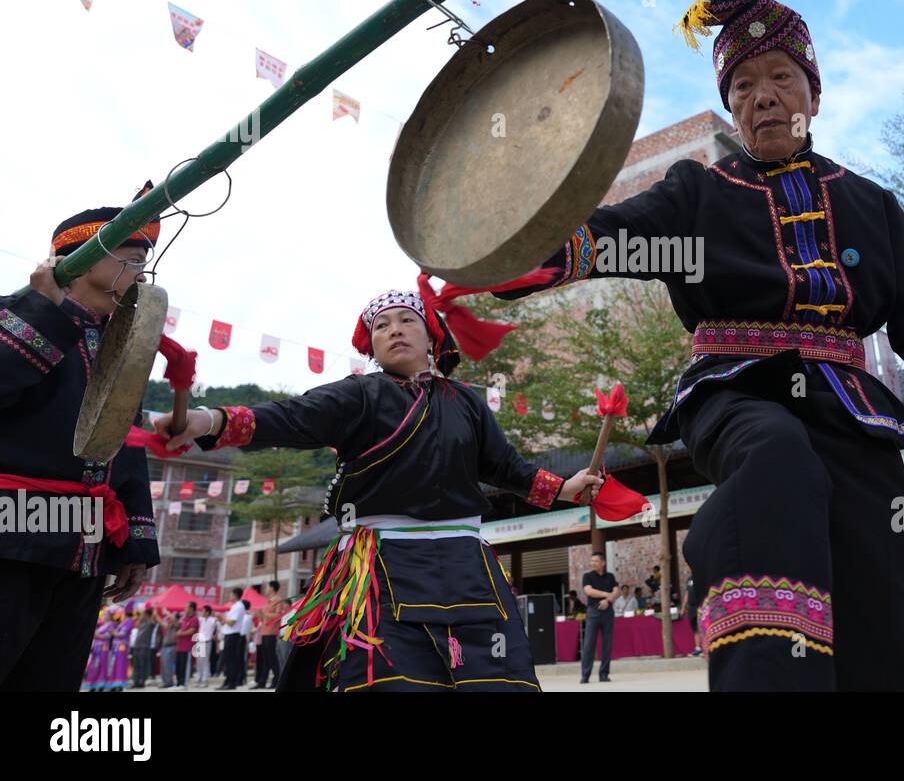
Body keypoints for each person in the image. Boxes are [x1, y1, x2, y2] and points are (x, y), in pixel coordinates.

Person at [496, 0, 904, 692]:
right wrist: (497, 253)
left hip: (855, 410)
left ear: (813, 95)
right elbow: (600, 240)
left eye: (780, 78)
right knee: (776, 457)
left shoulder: (870, 204)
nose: (762, 97)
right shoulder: (699, 195)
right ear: (730, 108)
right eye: (741, 85)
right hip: (735, 392)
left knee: (881, 626)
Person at [155, 284, 601, 692]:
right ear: (372, 345)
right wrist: (208, 420)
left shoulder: (466, 402)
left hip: (467, 566)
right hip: (384, 565)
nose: (394, 330)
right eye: (381, 326)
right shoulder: (358, 395)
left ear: (432, 337)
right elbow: (290, 417)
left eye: (407, 320)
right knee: (392, 681)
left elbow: (507, 468)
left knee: (497, 681)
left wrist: (566, 487)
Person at [0, 189, 162, 690]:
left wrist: (136, 540)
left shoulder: (121, 346)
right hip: (11, 537)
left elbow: (127, 445)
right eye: (131, 261)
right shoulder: (12, 314)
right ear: (86, 258)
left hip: (84, 546)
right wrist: (39, 308)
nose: (141, 275)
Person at [580, 553, 617, 684]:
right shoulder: (587, 576)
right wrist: (608, 595)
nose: (593, 563)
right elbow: (589, 591)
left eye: (595, 561)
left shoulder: (610, 576)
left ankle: (604, 674)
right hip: (593, 613)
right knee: (589, 644)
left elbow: (616, 591)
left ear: (603, 562)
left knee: (607, 644)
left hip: (608, 613)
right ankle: (585, 675)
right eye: (591, 561)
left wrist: (608, 601)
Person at [254, 581, 286, 689]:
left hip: (271, 632)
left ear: (272, 588)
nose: (266, 589)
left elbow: (278, 615)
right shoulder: (267, 602)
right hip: (264, 632)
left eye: (267, 587)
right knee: (265, 658)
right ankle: (262, 682)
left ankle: (276, 680)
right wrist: (259, 614)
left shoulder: (278, 601)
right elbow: (264, 618)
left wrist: (264, 614)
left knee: (272, 658)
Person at [217, 588, 247, 690]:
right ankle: (227, 681)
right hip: (230, 634)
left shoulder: (238, 606)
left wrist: (223, 618)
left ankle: (231, 683)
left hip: (233, 635)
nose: (230, 596)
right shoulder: (235, 606)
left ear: (235, 595)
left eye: (231, 594)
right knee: (228, 660)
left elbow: (232, 622)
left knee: (231, 660)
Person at [83, 608, 113, 691]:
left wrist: (97, 635)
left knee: (102, 666)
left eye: (107, 615)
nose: (105, 616)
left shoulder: (111, 625)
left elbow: (108, 636)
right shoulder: (102, 625)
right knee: (93, 666)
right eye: (105, 615)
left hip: (103, 648)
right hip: (96, 648)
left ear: (110, 616)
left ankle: (101, 684)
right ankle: (92, 684)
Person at [131, 607, 158, 688]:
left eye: (143, 614)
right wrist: (141, 617)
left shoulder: (150, 623)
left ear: (147, 615)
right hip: (137, 647)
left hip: (144, 647)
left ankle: (141, 682)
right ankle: (136, 682)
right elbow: (136, 625)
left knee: (142, 665)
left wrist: (154, 609)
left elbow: (154, 619)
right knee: (136, 665)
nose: (142, 615)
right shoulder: (142, 623)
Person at [107, 604, 132, 690]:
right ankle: (114, 683)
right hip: (116, 647)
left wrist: (113, 632)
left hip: (122, 646)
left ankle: (119, 684)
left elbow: (122, 634)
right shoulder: (123, 622)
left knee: (120, 664)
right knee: (115, 664)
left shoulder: (129, 621)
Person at [175, 602, 199, 688]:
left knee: (185, 666)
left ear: (192, 608)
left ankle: (184, 684)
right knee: (178, 666)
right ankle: (178, 683)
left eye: (186, 607)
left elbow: (191, 631)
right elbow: (178, 627)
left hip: (187, 647)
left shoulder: (194, 619)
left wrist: (180, 634)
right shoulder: (184, 618)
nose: (185, 608)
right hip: (179, 646)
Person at [194, 605, 217, 687]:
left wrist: (216, 636)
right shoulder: (201, 619)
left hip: (207, 642)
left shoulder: (213, 620)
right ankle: (199, 678)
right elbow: (195, 615)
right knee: (198, 661)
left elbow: (219, 624)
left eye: (203, 611)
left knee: (205, 661)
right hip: (200, 641)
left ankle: (204, 680)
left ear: (207, 612)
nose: (202, 612)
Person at [158, 608, 177, 688]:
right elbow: (160, 621)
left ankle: (169, 682)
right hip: (165, 647)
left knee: (167, 665)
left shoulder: (176, 624)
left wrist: (167, 612)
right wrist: (156, 610)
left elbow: (173, 618)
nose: (169, 619)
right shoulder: (169, 626)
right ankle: (165, 681)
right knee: (163, 665)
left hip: (171, 646)